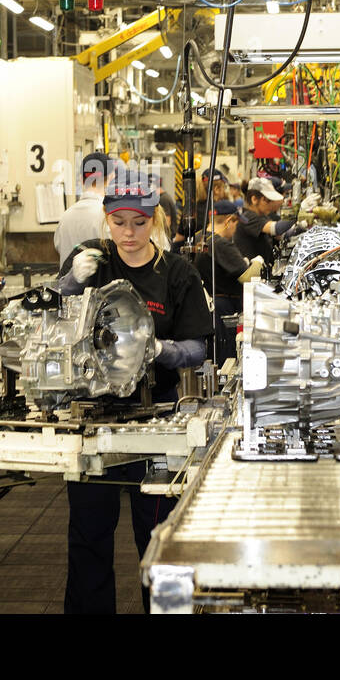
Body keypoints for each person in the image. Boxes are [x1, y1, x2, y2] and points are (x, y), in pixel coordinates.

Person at [57, 182, 212, 614]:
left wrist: (161, 349)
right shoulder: (92, 261)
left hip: (156, 420)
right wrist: (69, 282)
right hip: (93, 417)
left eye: (139, 223)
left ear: (155, 220)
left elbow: (197, 348)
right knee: (88, 537)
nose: (128, 233)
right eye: (119, 222)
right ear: (107, 220)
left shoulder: (178, 273)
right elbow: (50, 316)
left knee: (162, 538)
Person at [195, 199, 263, 363]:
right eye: (236, 223)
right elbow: (248, 276)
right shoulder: (221, 244)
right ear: (228, 221)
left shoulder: (198, 238)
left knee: (212, 355)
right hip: (224, 310)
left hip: (205, 307)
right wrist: (258, 262)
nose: (236, 229)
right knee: (227, 358)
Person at [54, 151, 109, 263]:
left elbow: (58, 248)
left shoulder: (65, 217)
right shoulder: (110, 217)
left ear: (81, 179)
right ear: (109, 179)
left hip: (69, 275)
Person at [235, 176, 298, 270]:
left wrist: (298, 229)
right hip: (251, 273)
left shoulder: (261, 215)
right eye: (267, 200)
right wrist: (297, 213)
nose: (270, 204)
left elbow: (279, 235)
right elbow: (275, 229)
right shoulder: (246, 217)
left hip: (264, 268)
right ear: (254, 199)